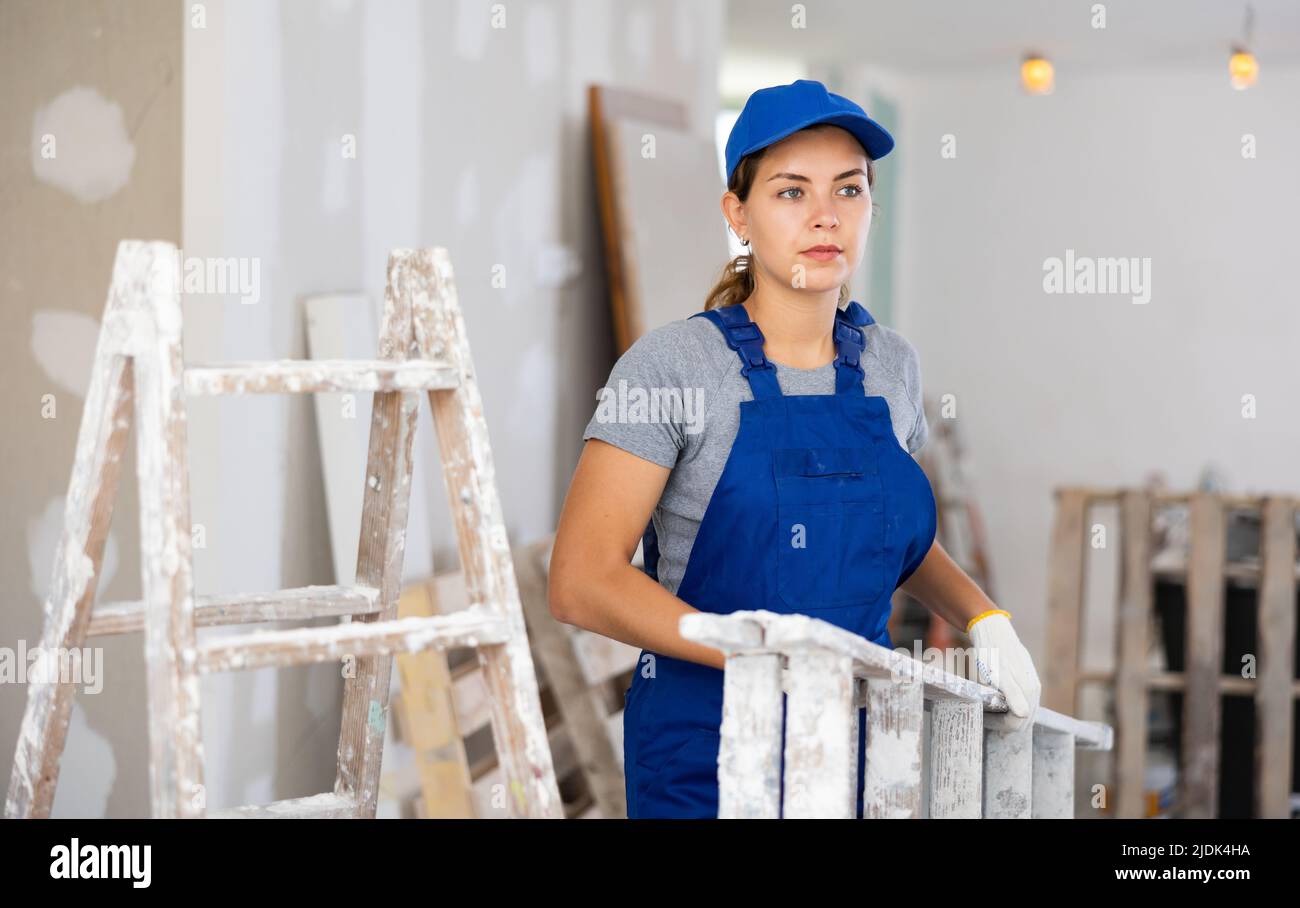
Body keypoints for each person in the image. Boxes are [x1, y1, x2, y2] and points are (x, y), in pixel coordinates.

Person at [549, 79, 1041, 818]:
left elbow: (888, 542)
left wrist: (982, 617)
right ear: (738, 215)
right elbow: (581, 579)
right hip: (706, 759)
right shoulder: (672, 367)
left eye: (848, 189)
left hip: (861, 750)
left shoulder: (890, 364)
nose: (824, 216)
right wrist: (753, 652)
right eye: (790, 192)